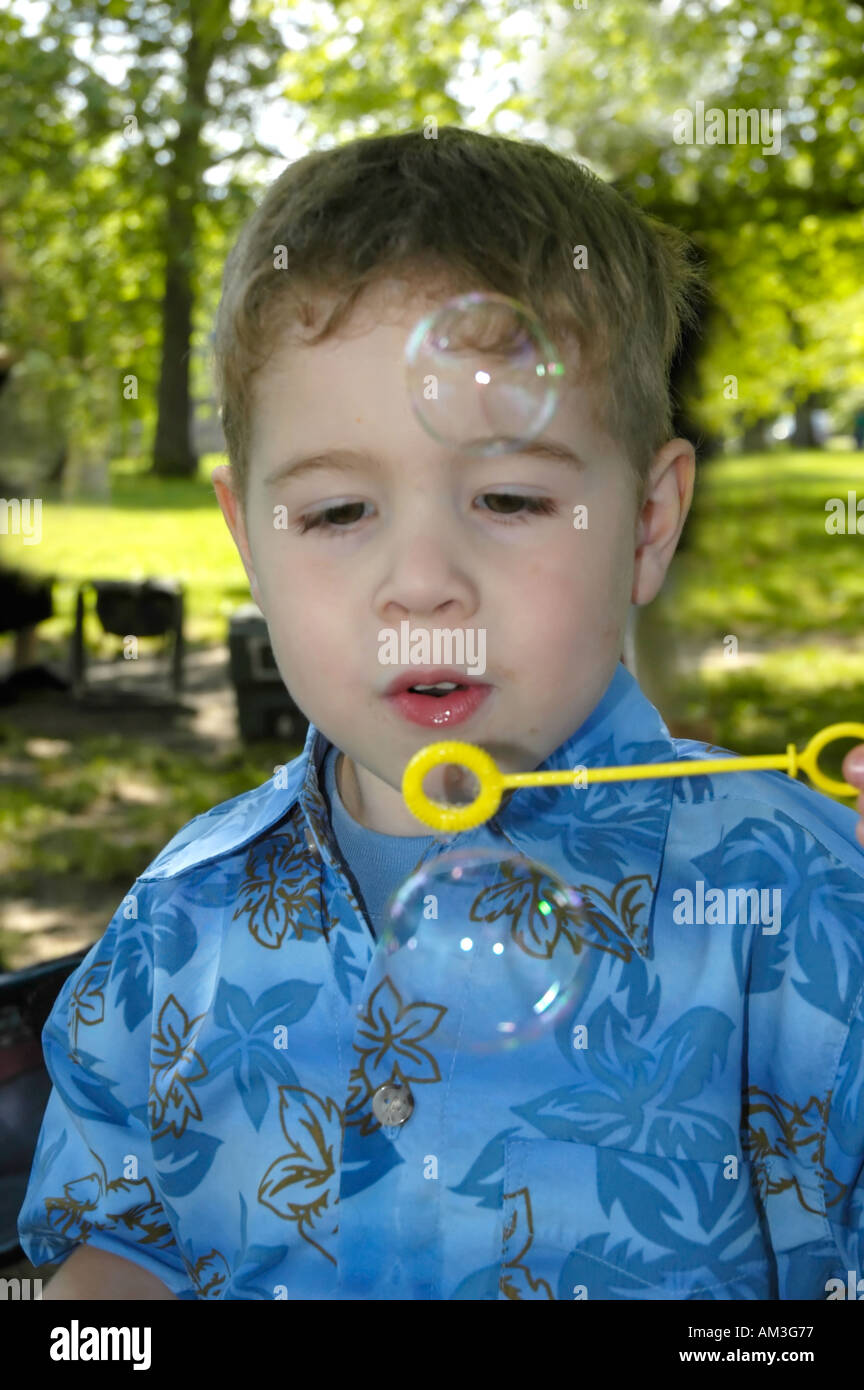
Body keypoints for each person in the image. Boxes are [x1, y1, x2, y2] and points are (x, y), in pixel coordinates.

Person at [17, 128, 864, 1302]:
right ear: (246, 540)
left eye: (511, 497)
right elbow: (117, 1256)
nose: (423, 580)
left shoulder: (802, 901)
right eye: (337, 511)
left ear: (650, 523)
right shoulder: (177, 920)